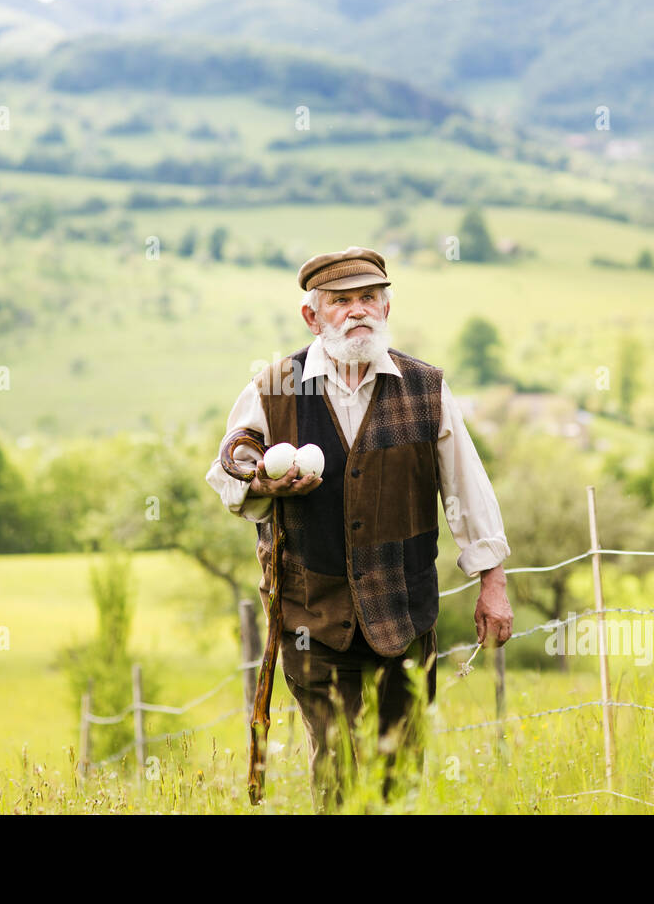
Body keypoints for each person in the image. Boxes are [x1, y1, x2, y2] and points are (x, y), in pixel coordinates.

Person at [205, 245, 513, 810]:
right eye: (340, 301)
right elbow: (228, 469)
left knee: (401, 773)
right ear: (312, 316)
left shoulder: (425, 388)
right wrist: (263, 482)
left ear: (386, 307)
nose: (356, 312)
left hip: (406, 611)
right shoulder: (274, 387)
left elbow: (467, 490)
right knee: (343, 771)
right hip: (313, 617)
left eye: (368, 298)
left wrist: (492, 581)